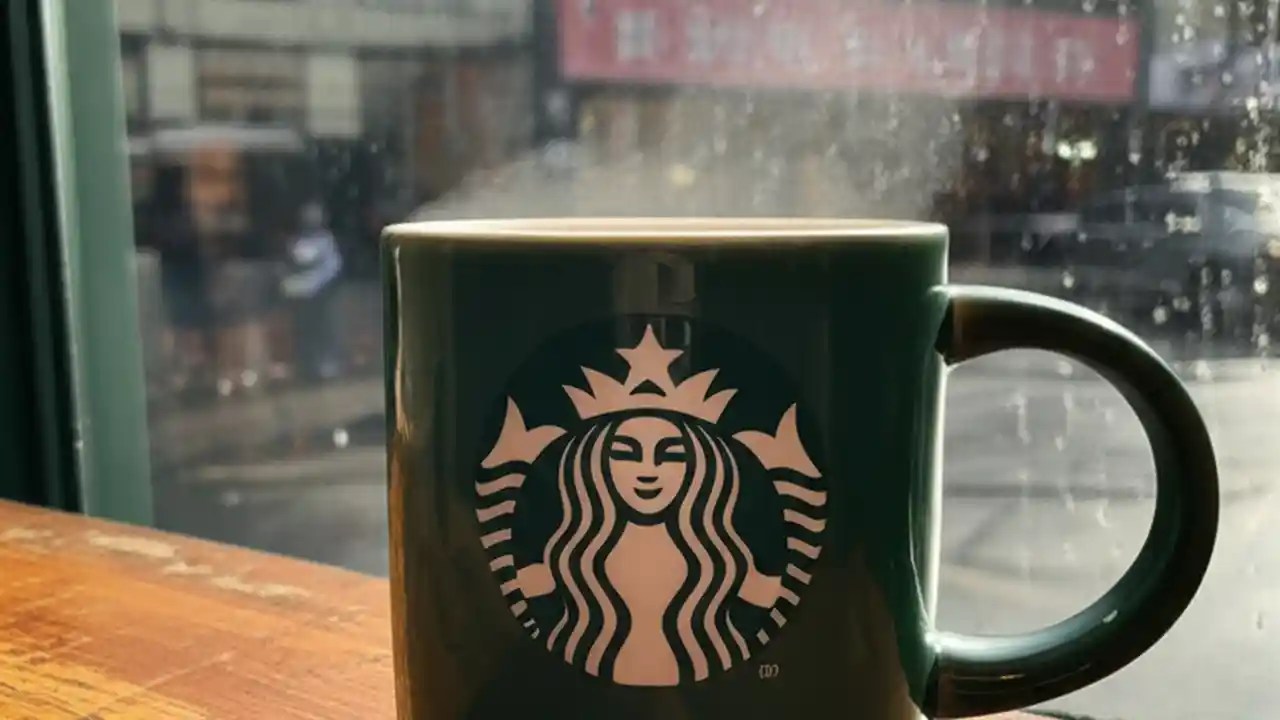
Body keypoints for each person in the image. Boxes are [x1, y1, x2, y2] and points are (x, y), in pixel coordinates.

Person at [282, 201, 344, 380]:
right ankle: (306, 366)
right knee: (304, 333)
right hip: (301, 297)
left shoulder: (326, 240)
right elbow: (296, 261)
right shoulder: (296, 241)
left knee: (324, 330)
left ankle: (327, 365)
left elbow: (333, 267)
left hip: (321, 295)